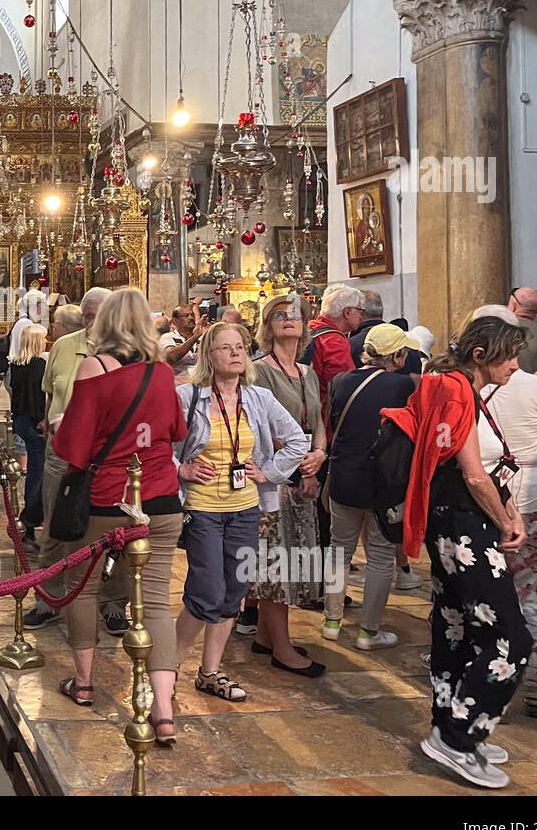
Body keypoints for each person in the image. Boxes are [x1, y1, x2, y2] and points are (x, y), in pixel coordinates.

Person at [390, 315, 531, 789]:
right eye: (509, 355)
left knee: (456, 628)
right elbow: (473, 474)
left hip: (450, 520)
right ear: (481, 355)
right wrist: (505, 519)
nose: (515, 365)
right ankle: (457, 736)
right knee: (510, 639)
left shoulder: (447, 383)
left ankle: (453, 725)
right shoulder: (457, 389)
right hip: (465, 525)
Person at [52, 289, 187, 747]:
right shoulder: (163, 373)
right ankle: (164, 712)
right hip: (161, 499)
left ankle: (85, 683)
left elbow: (71, 446)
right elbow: (176, 431)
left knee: (84, 588)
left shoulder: (96, 367)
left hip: (108, 500)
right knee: (155, 599)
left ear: (104, 322)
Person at [175, 320, 312, 706]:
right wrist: (180, 469)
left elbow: (298, 439)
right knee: (206, 592)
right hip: (202, 507)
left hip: (245, 508)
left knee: (233, 593)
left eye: (240, 346)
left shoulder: (258, 398)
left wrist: (267, 472)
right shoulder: (188, 396)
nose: (235, 353)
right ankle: (167, 672)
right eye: (225, 348)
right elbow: (155, 445)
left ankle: (210, 672)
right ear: (209, 355)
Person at [469, 307, 537, 719]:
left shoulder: (464, 386)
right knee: (530, 592)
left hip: (482, 499)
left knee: (483, 594)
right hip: (534, 497)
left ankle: (487, 677)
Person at [322, 323, 420, 648]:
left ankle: (332, 622)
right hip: (383, 481)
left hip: (344, 475)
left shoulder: (340, 380)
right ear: (397, 355)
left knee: (339, 550)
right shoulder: (402, 385)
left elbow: (333, 423)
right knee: (379, 554)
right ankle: (369, 631)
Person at [24, 288, 115, 631]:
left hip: (107, 455)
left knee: (111, 529)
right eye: (88, 316)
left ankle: (112, 602)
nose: (93, 323)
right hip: (62, 452)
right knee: (54, 526)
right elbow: (51, 396)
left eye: (99, 316)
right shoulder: (63, 346)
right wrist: (50, 424)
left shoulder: (126, 351)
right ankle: (49, 599)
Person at [249, 294, 329, 659]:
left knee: (295, 558)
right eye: (278, 315)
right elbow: (263, 424)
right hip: (274, 475)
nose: (287, 320)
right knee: (273, 563)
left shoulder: (308, 373)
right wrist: (299, 457)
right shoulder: (259, 369)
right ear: (267, 327)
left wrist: (319, 453)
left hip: (304, 475)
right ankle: (282, 648)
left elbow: (318, 420)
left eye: (294, 315)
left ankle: (267, 637)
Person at [9, 324, 49, 535]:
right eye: (43, 339)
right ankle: (32, 516)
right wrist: (43, 421)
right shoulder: (39, 366)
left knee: (35, 470)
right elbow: (38, 399)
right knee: (38, 472)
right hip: (35, 422)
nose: (46, 342)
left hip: (21, 420)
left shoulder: (16, 365)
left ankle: (33, 514)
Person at [304, 283, 363, 411]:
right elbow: (342, 386)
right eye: (359, 310)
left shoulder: (306, 329)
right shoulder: (334, 341)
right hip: (321, 413)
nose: (361, 315)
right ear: (347, 312)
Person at [161, 303, 208, 383]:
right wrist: (194, 337)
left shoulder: (202, 338)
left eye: (192, 315)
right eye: (186, 316)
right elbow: (172, 357)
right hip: (177, 386)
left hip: (200, 385)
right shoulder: (168, 337)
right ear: (175, 321)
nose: (191, 318)